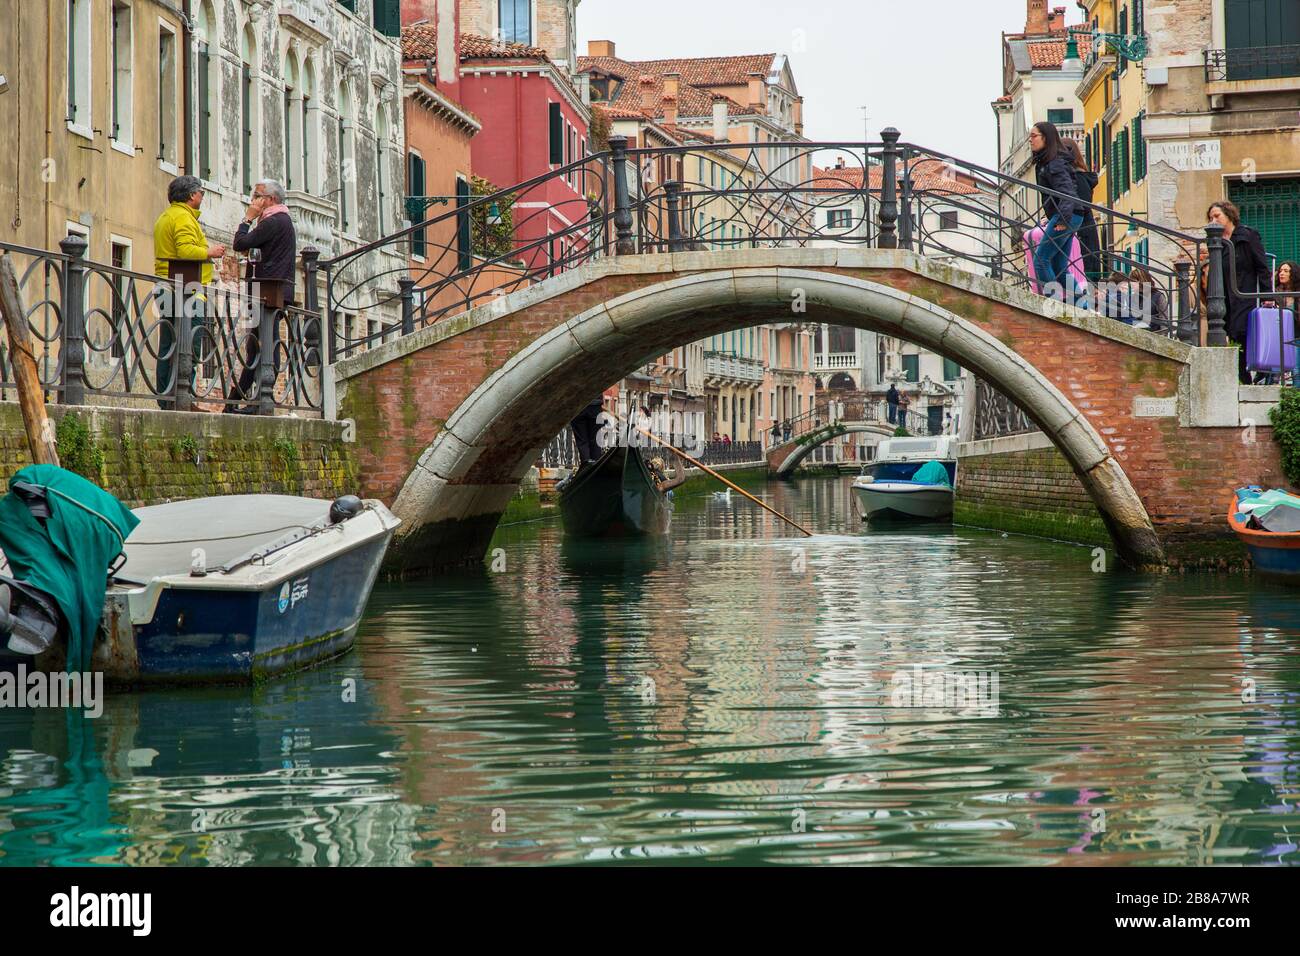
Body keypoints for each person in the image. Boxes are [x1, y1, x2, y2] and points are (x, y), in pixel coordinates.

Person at [153, 175, 225, 408]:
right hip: (186, 290)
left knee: (169, 344)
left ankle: (167, 399)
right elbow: (184, 251)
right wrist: (210, 252)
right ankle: (183, 397)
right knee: (189, 345)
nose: (202, 196)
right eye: (201, 193)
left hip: (166, 286)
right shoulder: (183, 218)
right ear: (192, 195)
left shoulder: (165, 216)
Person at [230, 179, 297, 411]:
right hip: (266, 291)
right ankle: (239, 400)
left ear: (270, 199)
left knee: (264, 345)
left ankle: (258, 399)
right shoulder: (280, 221)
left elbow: (239, 243)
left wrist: (247, 219)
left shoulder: (272, 222)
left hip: (265, 292)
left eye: (257, 196)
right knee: (257, 346)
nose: (253, 200)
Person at [1208, 200, 1270, 384]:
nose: (1213, 220)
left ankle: (1259, 372)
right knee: (1233, 333)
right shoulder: (1217, 243)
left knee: (1240, 332)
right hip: (1226, 298)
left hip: (1246, 294)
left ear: (1229, 216)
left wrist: (1268, 295)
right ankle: (1245, 378)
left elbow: (1262, 266)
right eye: (1210, 217)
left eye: (1217, 216)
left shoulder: (1247, 236)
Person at [1029, 121, 1083, 302]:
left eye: (1034, 136)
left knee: (1041, 260)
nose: (1030, 140)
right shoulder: (1049, 161)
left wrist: (1061, 220)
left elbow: (1067, 193)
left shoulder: (1054, 163)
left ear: (1046, 138)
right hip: (1071, 215)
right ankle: (1082, 307)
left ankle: (1057, 304)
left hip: (1067, 215)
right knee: (1059, 266)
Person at [1061, 138, 1102, 286]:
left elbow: (1082, 206)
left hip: (1083, 233)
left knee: (1085, 275)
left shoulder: (1079, 177)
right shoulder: (1074, 177)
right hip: (1080, 231)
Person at [1128, 266, 1169, 332]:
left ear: (1141, 281)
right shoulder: (1132, 297)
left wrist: (1161, 339)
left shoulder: (1158, 296)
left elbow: (1164, 322)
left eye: (1133, 282)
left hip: (1154, 336)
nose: (1130, 284)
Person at [570, 395, 604, 466]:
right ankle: (595, 467)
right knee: (595, 440)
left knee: (582, 441)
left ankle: (586, 467)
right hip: (595, 406)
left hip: (579, 407)